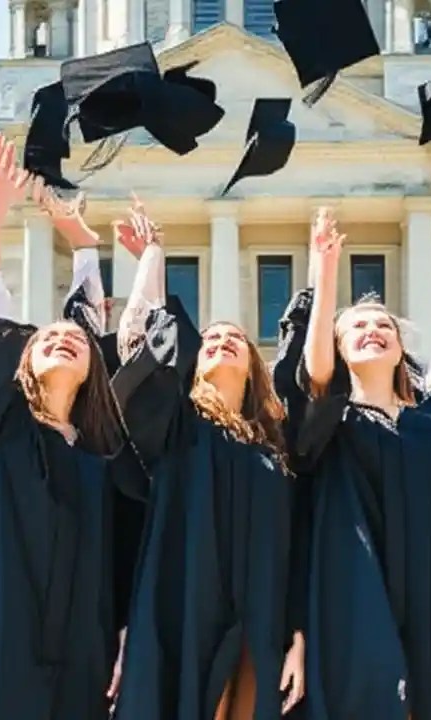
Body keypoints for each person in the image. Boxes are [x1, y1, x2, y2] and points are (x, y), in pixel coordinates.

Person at [0, 134, 144, 720]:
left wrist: (83, 245)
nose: (61, 338)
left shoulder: (106, 454)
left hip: (88, 636)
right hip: (9, 632)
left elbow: (129, 553)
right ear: (21, 363)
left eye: (74, 341)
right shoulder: (1, 433)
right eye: (46, 338)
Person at [110, 195, 303, 720]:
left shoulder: (276, 447)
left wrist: (300, 635)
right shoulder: (179, 425)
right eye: (211, 338)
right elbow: (140, 344)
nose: (219, 341)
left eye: (233, 338)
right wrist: (152, 257)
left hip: (262, 605)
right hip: (185, 592)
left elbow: (299, 545)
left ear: (254, 364)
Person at [288, 207, 431, 719]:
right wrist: (325, 271)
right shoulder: (330, 425)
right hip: (349, 603)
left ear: (401, 351)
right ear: (337, 347)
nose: (373, 330)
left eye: (384, 326)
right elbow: (315, 377)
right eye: (358, 327)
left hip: (428, 605)